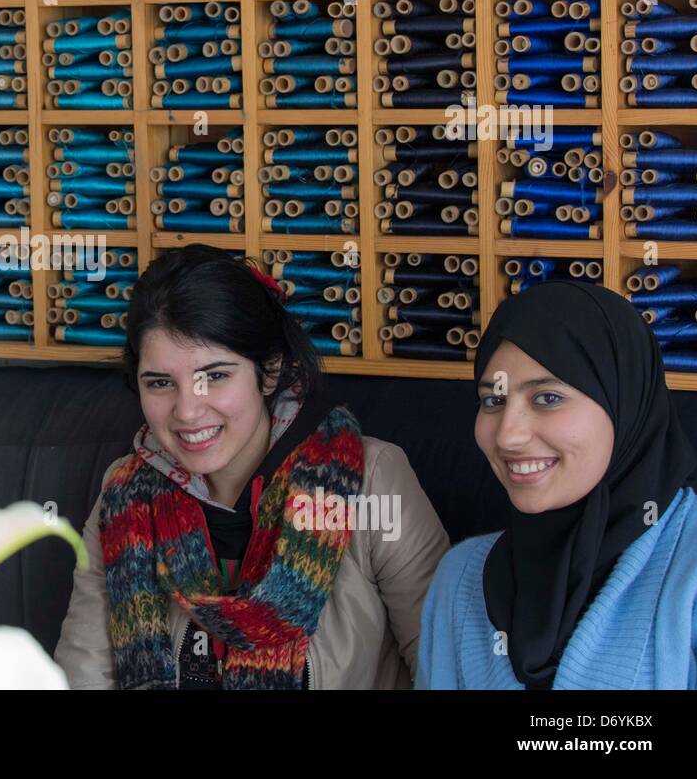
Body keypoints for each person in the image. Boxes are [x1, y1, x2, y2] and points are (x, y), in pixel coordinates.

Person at [54, 244, 448, 688]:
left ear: (270, 371)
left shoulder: (371, 484)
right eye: (161, 383)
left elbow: (445, 669)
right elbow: (83, 675)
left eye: (215, 376)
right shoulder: (125, 497)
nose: (187, 411)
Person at [417, 280, 697, 689]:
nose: (507, 436)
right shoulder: (460, 578)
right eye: (493, 401)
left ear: (623, 403)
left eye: (547, 398)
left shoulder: (691, 570)